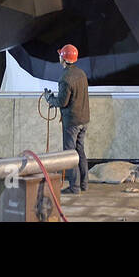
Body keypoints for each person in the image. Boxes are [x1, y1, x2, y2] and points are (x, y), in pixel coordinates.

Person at [44, 44, 90, 194]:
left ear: (63, 58)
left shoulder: (65, 78)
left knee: (70, 154)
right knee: (80, 151)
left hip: (72, 122)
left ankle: (74, 187)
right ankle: (84, 184)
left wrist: (50, 99)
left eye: (60, 55)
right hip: (84, 119)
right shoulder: (81, 73)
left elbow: (63, 102)